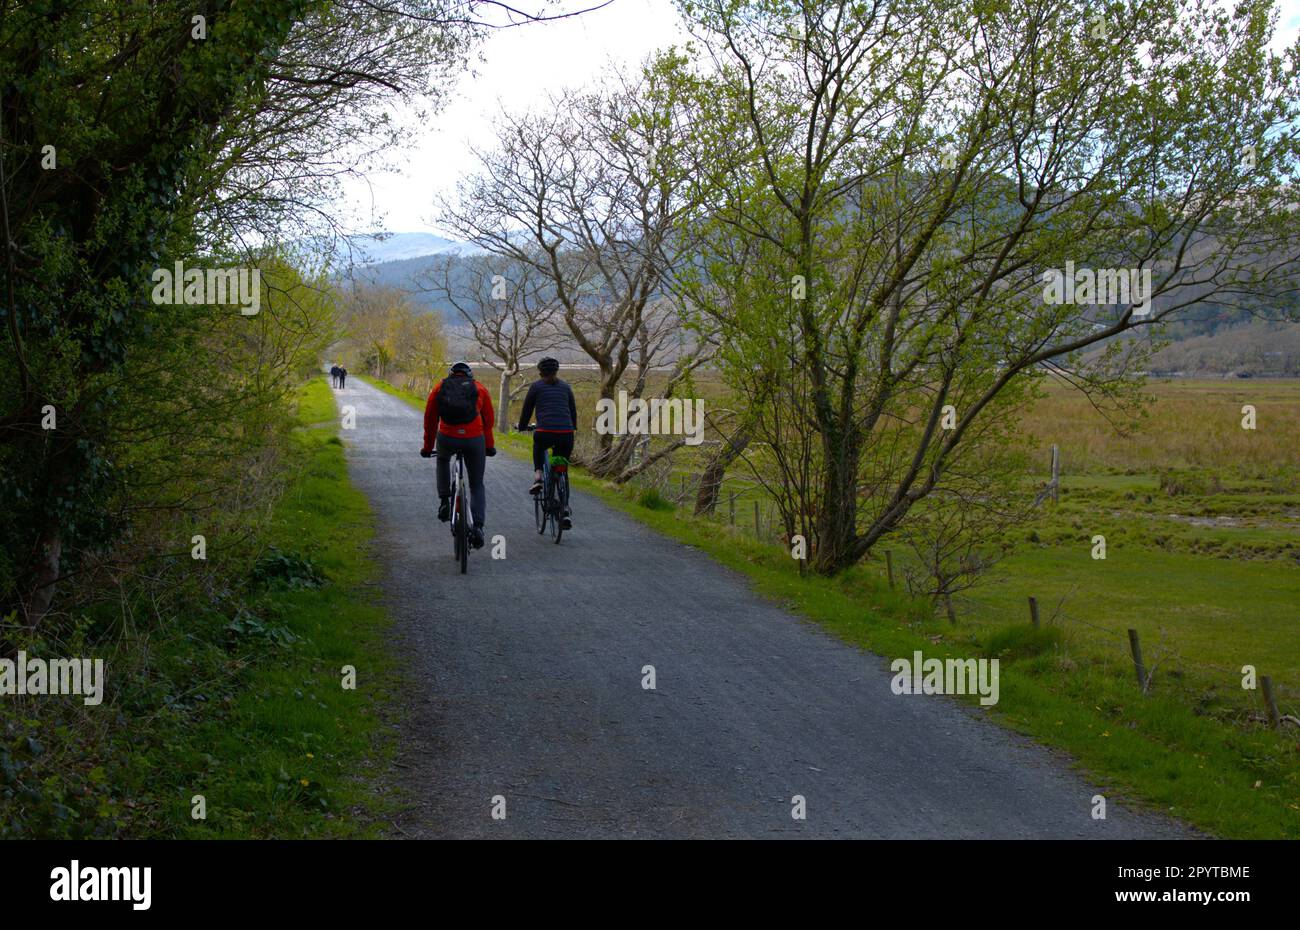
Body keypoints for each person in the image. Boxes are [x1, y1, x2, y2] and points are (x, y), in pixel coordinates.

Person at [420, 360, 496, 548]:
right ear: (469, 375)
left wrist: (428, 448)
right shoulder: (480, 389)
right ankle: (478, 527)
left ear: (451, 374)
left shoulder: (439, 388)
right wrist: (489, 446)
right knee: (476, 483)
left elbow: (430, 420)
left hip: (447, 437)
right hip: (474, 440)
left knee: (443, 460)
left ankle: (445, 500)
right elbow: (488, 421)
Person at [516, 357, 577, 530]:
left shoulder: (536, 387)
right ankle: (565, 508)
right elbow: (572, 411)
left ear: (540, 372)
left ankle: (538, 477)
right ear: (557, 371)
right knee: (561, 467)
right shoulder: (566, 387)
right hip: (566, 434)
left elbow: (527, 409)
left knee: (539, 446)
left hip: (545, 432)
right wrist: (572, 427)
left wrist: (522, 427)